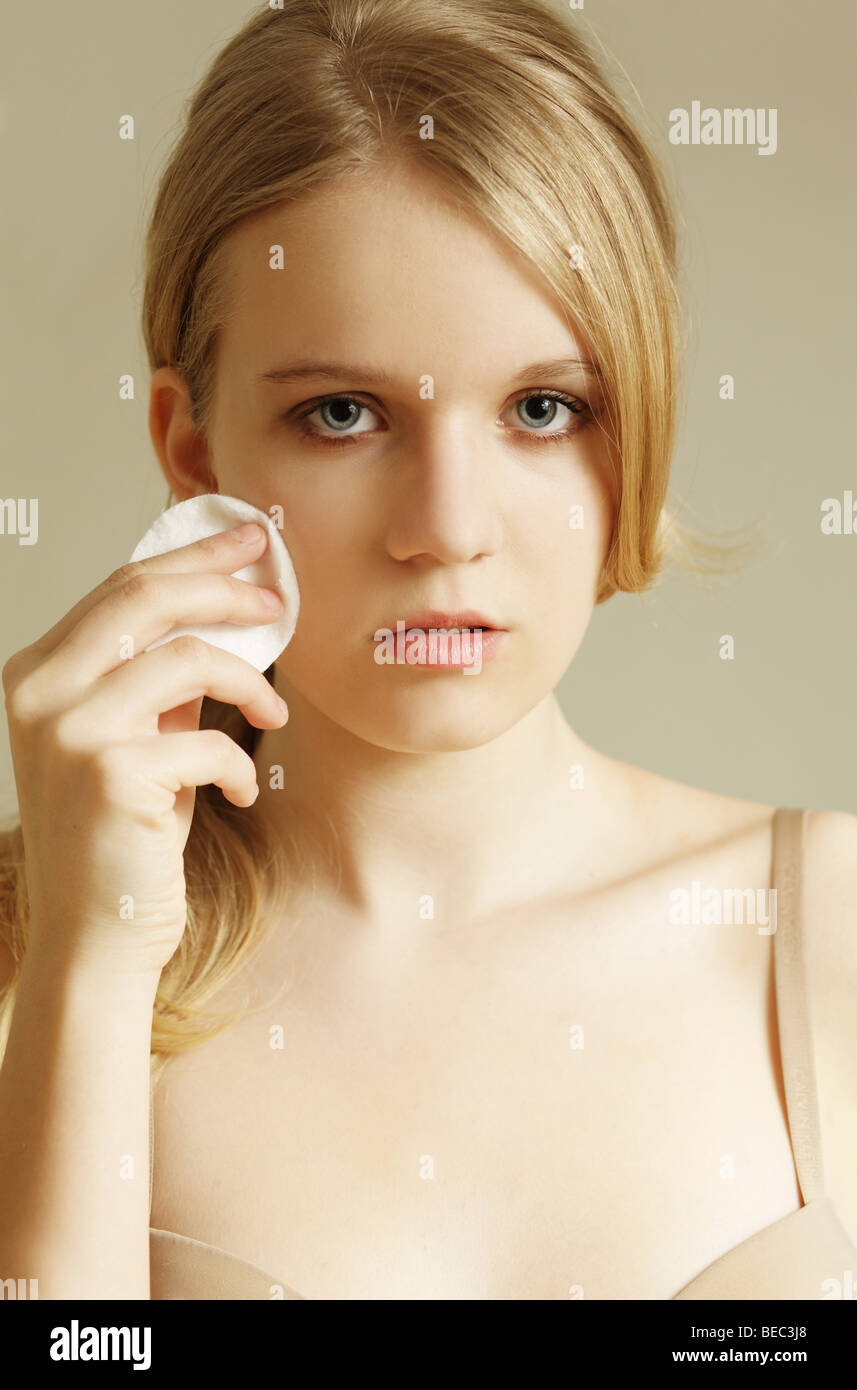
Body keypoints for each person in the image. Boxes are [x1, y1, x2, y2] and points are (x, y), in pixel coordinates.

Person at [1, 0, 855, 1302]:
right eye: (342, 413)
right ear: (192, 449)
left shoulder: (833, 923)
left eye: (541, 407)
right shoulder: (38, 955)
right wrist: (90, 966)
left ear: (638, 419)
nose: (445, 529)